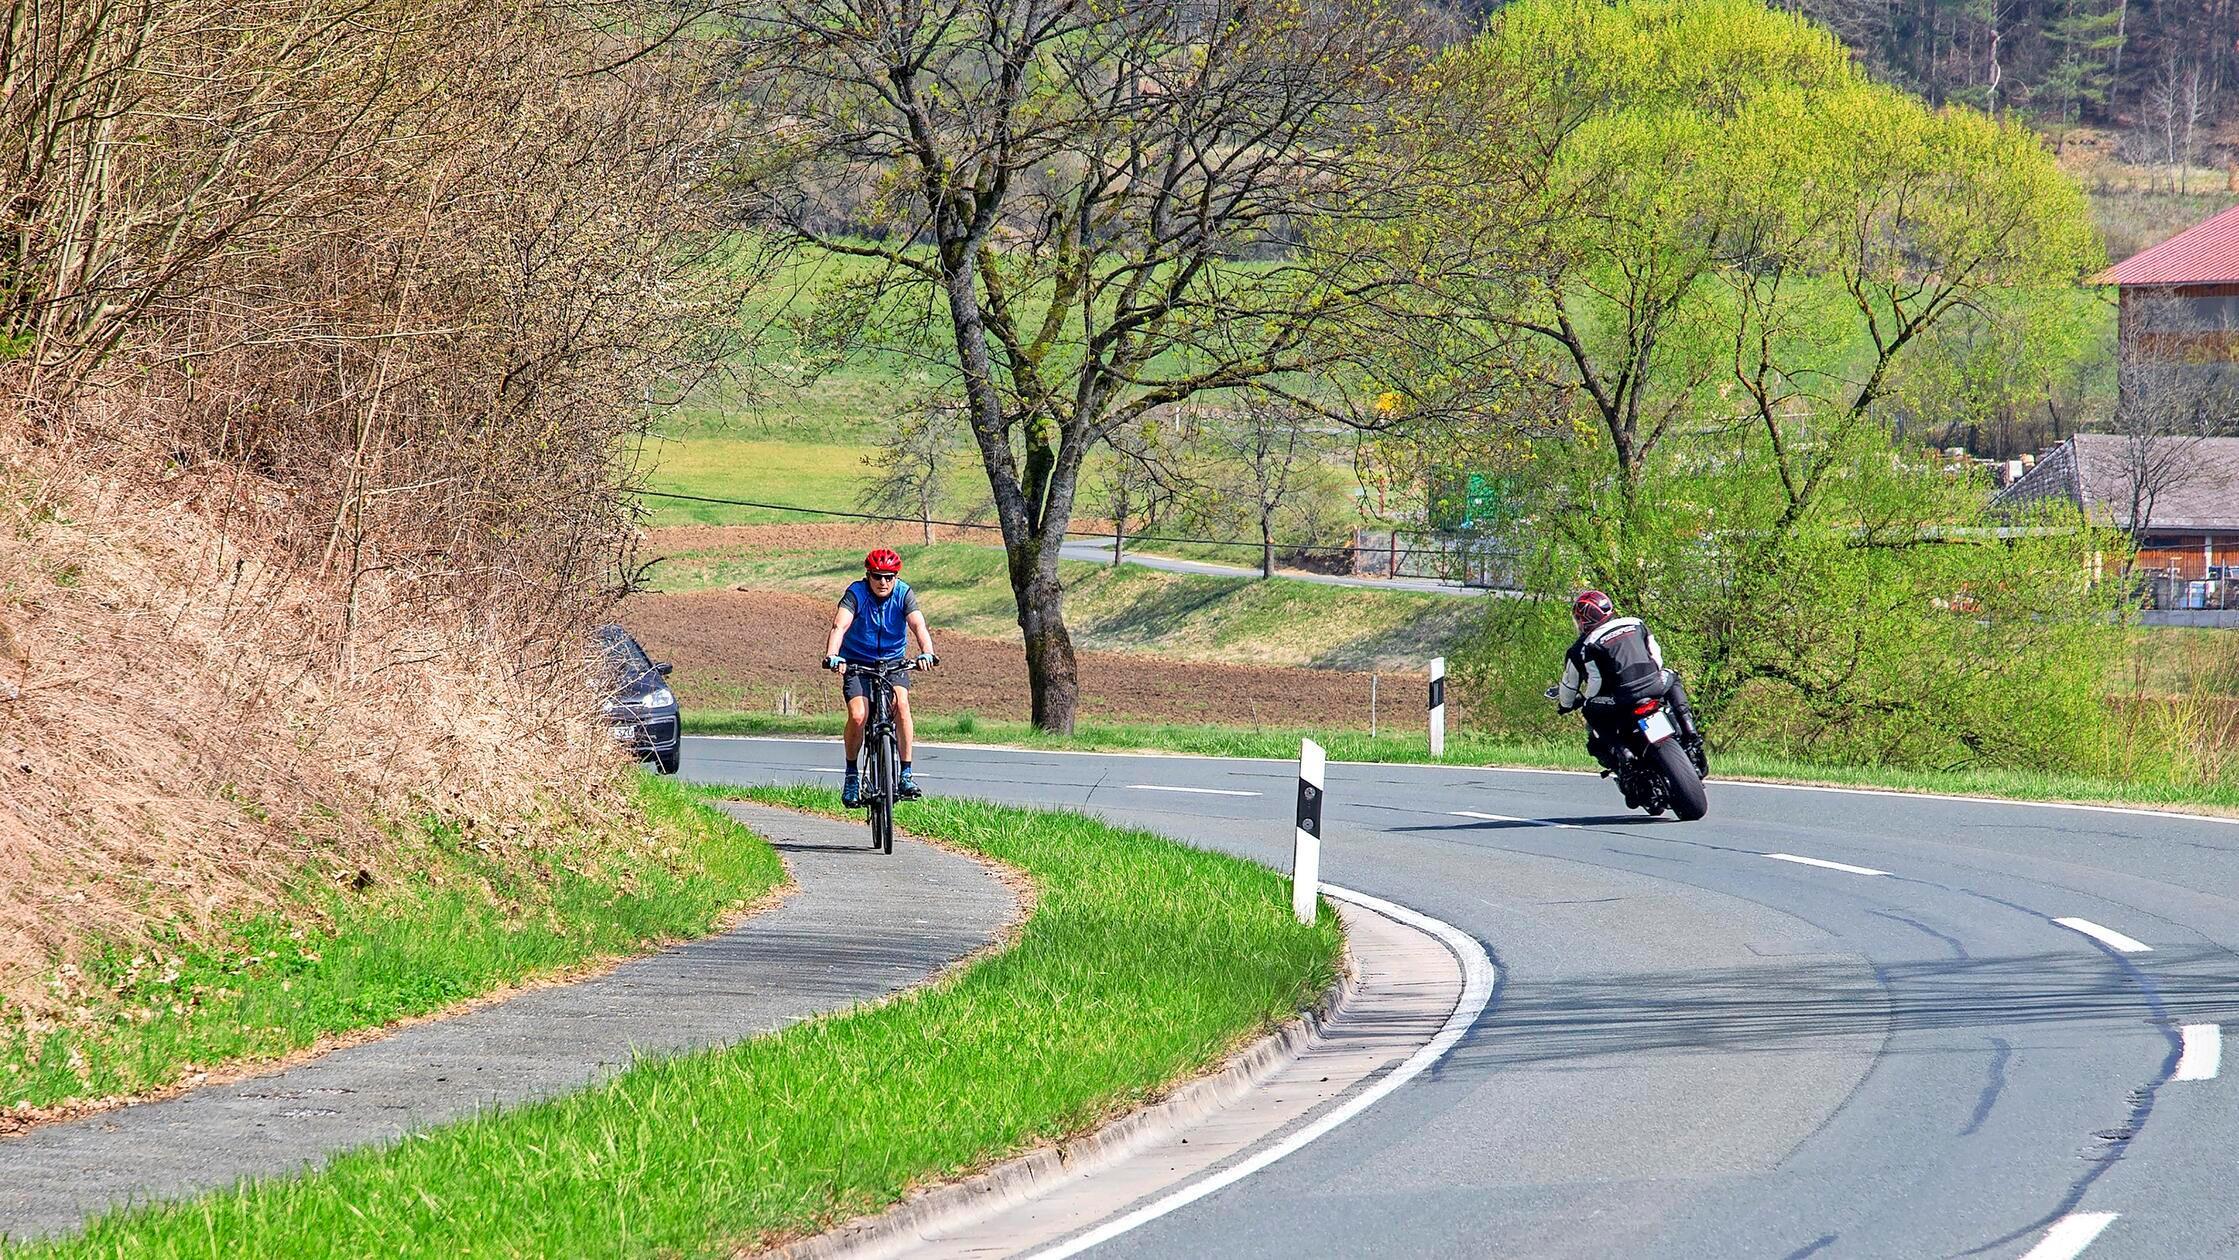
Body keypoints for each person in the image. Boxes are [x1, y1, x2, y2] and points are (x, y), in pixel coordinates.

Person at [1550, 590, 1705, 795]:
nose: (1578, 624)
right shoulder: (1636, 623)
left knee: (1589, 708)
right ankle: (1690, 731)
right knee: (1673, 677)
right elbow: (1656, 657)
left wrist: (1567, 704)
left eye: (1579, 619)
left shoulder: (1583, 647)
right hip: (1655, 684)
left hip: (1620, 699)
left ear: (1588, 619)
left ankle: (1622, 751)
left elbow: (1573, 685)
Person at [824, 548, 937, 808]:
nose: (883, 582)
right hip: (857, 663)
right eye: (877, 576)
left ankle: (906, 773)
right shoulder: (857, 594)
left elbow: (918, 625)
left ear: (896, 577)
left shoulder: (903, 593)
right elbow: (839, 626)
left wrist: (927, 652)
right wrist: (833, 655)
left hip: (893, 663)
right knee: (858, 716)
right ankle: (852, 775)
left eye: (889, 577)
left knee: (901, 705)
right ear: (868, 575)